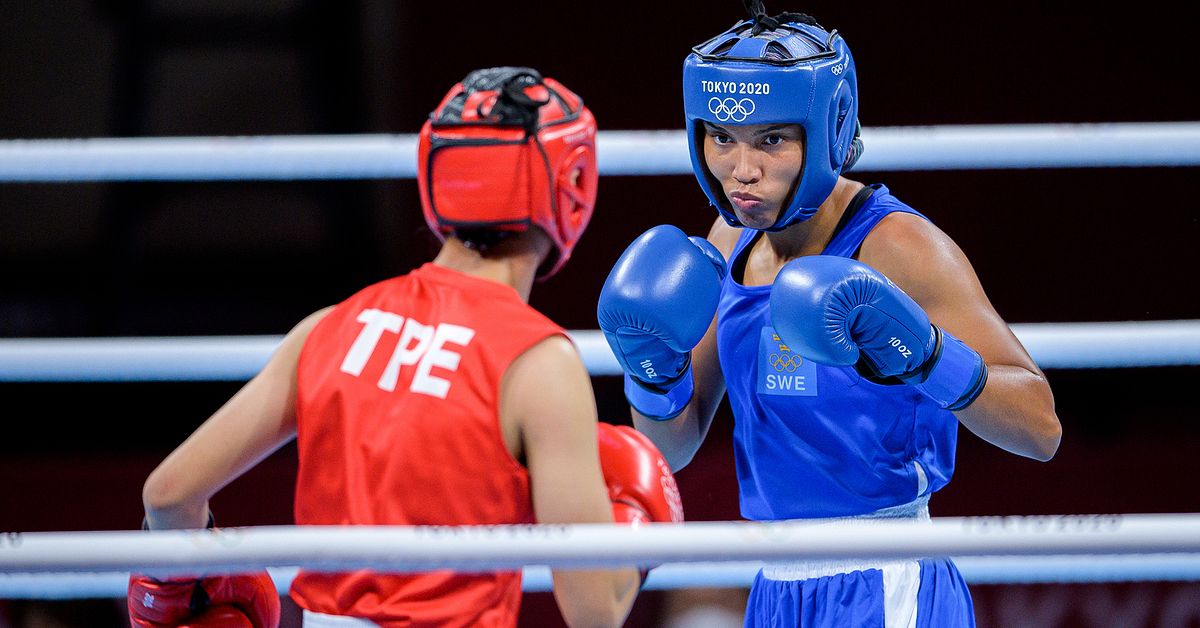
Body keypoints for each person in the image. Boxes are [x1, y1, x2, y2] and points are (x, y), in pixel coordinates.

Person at [128, 66, 683, 628]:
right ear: (573, 186)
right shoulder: (539, 363)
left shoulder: (329, 326)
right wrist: (636, 528)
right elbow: (594, 612)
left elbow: (168, 494)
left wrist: (187, 589)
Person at [597, 3, 1062, 626]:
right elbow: (672, 450)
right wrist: (653, 374)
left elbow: (1041, 428)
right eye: (722, 137)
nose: (743, 170)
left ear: (829, 129)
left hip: (887, 576)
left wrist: (923, 354)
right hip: (775, 582)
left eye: (771, 139)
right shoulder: (730, 240)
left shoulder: (896, 245)